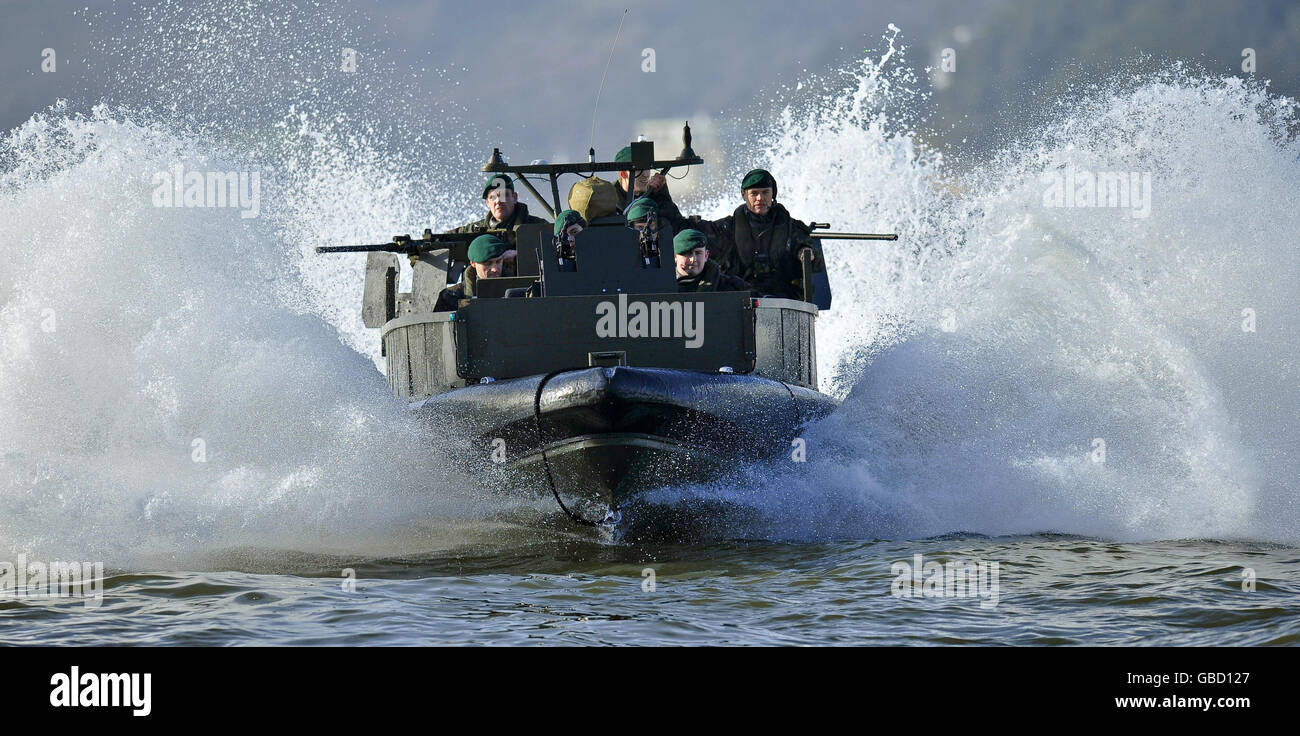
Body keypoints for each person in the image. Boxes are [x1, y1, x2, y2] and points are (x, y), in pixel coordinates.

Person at [701, 169, 820, 301]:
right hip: (741, 298)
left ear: (772, 193)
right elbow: (688, 231)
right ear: (744, 195)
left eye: (765, 192)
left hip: (784, 297)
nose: (760, 198)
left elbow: (812, 255)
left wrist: (805, 252)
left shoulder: (791, 228)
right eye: (754, 193)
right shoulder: (727, 228)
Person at [446, 174, 550, 275]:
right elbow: (446, 239)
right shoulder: (477, 229)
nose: (498, 201)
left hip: (529, 286)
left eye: (504, 195)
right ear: (487, 202)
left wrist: (519, 255)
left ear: (515, 197)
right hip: (486, 287)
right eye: (493, 197)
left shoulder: (537, 226)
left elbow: (556, 250)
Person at [613, 146, 689, 232]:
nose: (646, 174)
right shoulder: (608, 200)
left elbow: (677, 227)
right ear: (623, 174)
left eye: (647, 168)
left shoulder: (654, 195)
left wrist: (662, 194)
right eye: (638, 169)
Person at [434, 234, 509, 311]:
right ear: (473, 263)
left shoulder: (517, 289)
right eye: (488, 263)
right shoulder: (451, 297)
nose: (495, 269)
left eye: (498, 261)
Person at [673, 229, 749, 293]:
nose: (693, 259)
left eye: (698, 253)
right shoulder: (663, 285)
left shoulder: (730, 287)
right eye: (687, 253)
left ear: (706, 255)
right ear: (675, 257)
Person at [624, 197, 673, 265]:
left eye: (650, 227)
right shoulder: (624, 255)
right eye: (640, 228)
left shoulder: (669, 252)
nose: (646, 232)